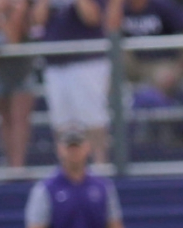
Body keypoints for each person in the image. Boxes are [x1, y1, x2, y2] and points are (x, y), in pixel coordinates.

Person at [33, 0, 121, 163]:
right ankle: (67, 170)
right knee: (62, 124)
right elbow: (38, 20)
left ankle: (99, 167)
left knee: (93, 120)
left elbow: (92, 18)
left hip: (87, 62)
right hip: (55, 63)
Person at [0, 0, 37, 166]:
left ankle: (18, 166)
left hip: (21, 73)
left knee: (19, 121)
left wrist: (3, 15)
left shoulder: (21, 8)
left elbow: (13, 39)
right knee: (5, 120)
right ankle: (9, 164)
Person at [117, 0, 183, 103]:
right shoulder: (121, 7)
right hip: (135, 61)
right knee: (112, 66)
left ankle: (159, 113)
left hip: (161, 62)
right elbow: (109, 28)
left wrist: (181, 58)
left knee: (162, 79)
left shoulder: (161, 5)